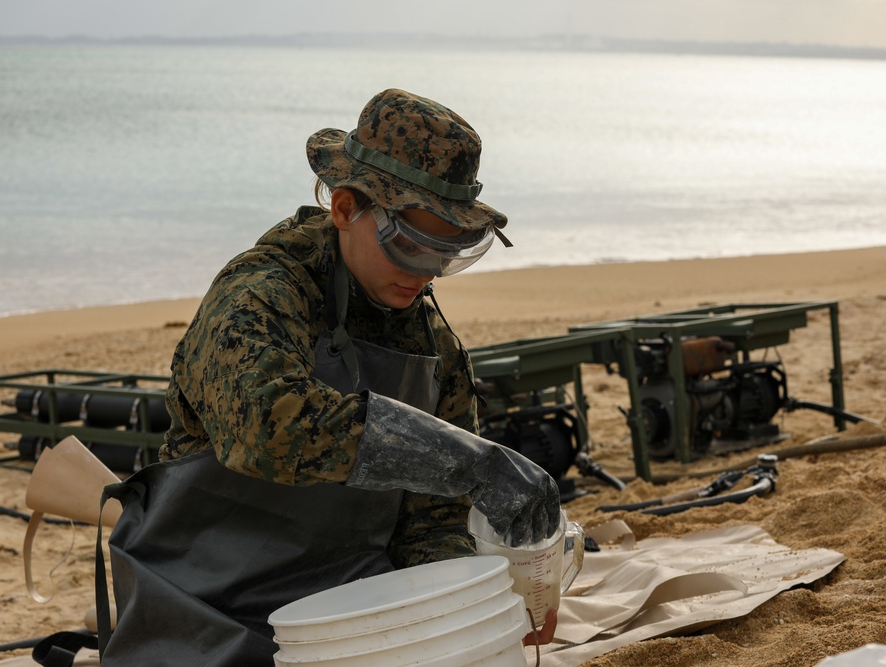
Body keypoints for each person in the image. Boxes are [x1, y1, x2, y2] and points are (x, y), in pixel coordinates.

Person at [97, 88, 561, 666]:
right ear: (345, 209)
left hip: (351, 615)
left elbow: (429, 525)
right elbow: (268, 429)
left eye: (446, 252)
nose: (425, 273)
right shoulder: (261, 295)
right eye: (410, 246)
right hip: (201, 613)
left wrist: (468, 607)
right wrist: (472, 461)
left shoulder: (432, 347)